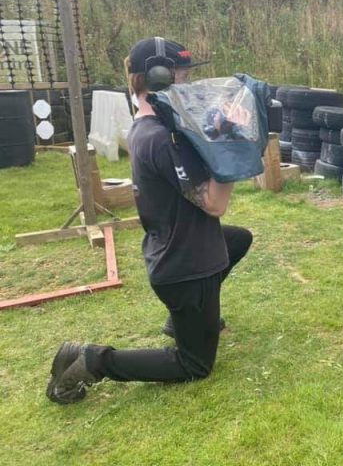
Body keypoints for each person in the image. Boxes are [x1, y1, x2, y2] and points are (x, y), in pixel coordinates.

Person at [46, 37, 253, 404]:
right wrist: (232, 145)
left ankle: (183, 319)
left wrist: (217, 128)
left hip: (176, 251)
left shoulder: (152, 127)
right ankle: (92, 360)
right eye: (184, 76)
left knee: (237, 239)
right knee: (194, 364)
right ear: (160, 79)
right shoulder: (160, 138)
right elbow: (214, 203)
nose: (188, 85)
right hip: (187, 269)